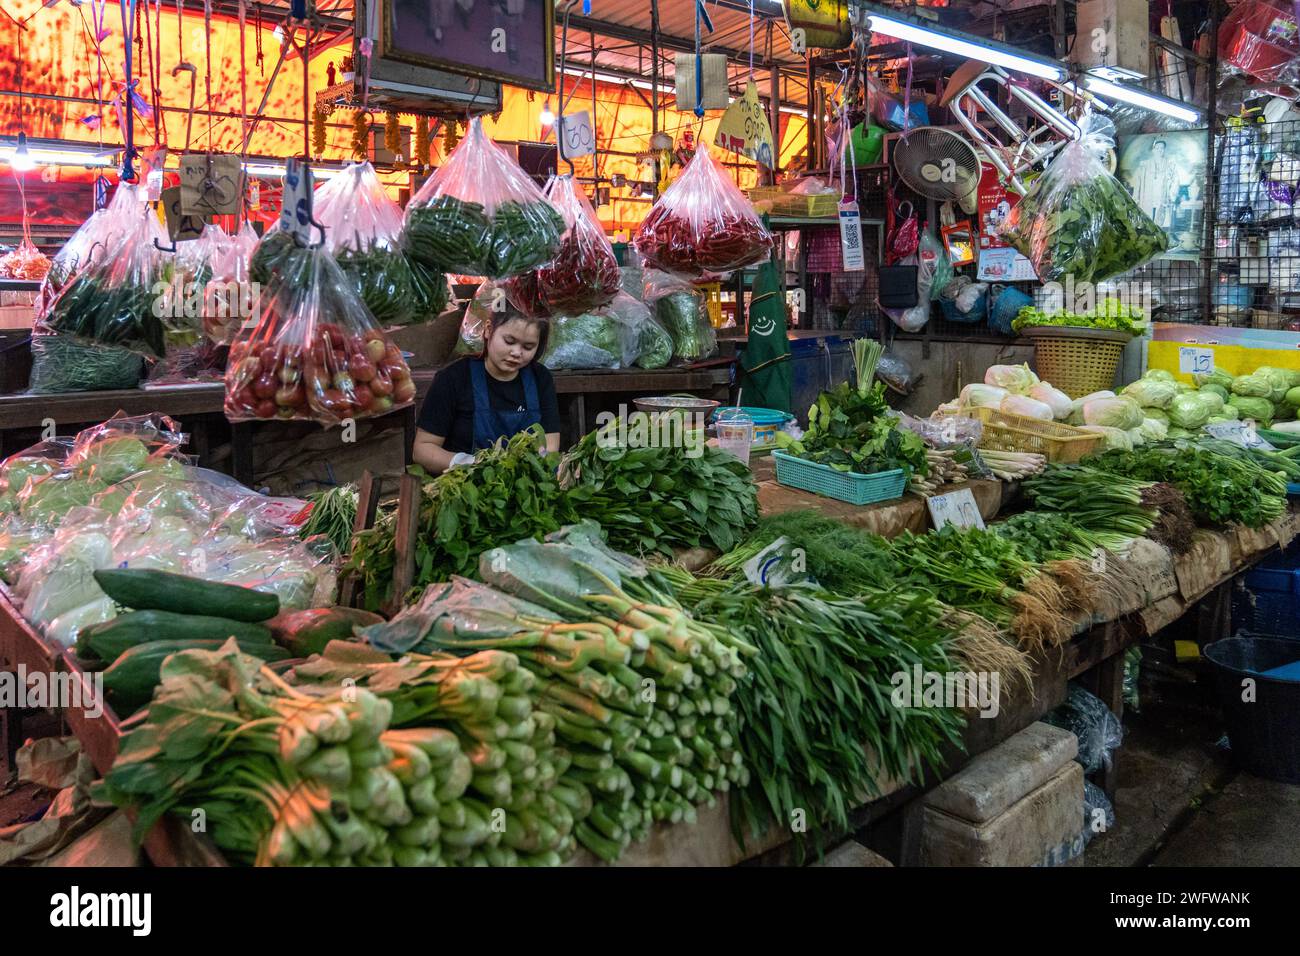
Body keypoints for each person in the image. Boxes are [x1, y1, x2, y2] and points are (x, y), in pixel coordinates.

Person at [412, 308, 561, 474]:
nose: (516, 353)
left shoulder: (540, 378)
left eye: (528, 347)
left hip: (524, 487)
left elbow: (550, 444)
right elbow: (423, 449)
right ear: (488, 330)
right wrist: (467, 463)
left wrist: (526, 467)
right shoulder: (453, 378)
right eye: (509, 341)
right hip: (464, 488)